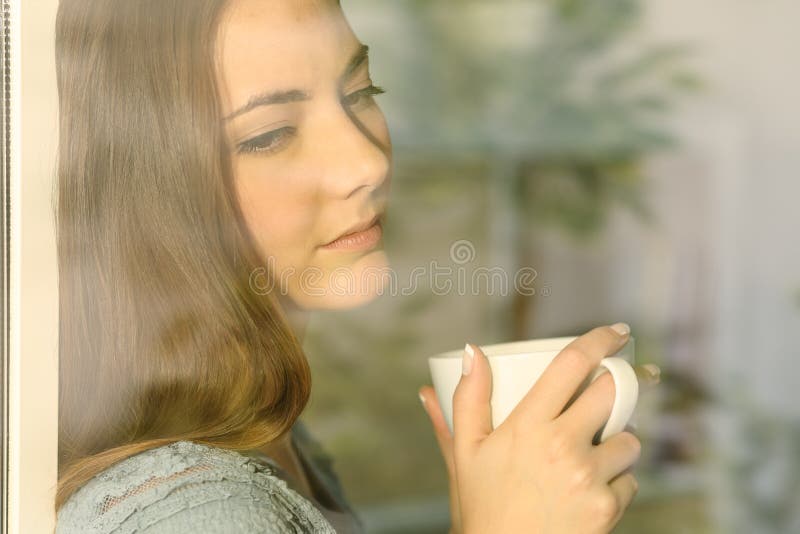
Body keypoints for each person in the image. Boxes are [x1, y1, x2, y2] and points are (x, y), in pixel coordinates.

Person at [53, 0, 660, 532]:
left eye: (361, 92)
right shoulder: (195, 517)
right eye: (269, 134)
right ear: (154, 189)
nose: (365, 163)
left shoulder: (279, 440)